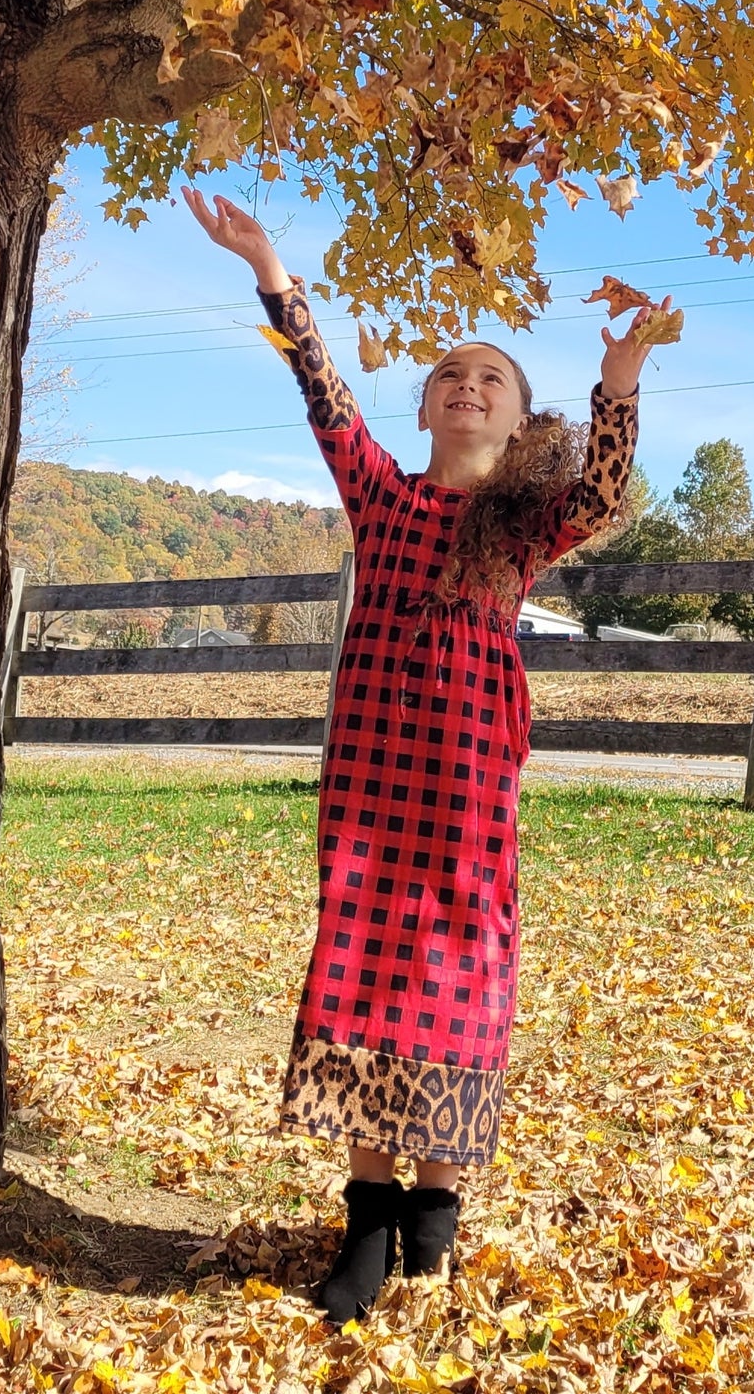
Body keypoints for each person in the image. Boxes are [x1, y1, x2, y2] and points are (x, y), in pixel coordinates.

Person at [187, 192, 667, 1322]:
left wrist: (620, 381)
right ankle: (365, 1209)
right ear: (424, 404)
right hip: (367, 769)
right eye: (451, 374)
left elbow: (603, 488)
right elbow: (321, 392)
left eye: (490, 377)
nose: (467, 385)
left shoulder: (522, 522)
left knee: (460, 964)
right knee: (361, 952)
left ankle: (434, 1213)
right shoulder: (380, 492)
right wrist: (269, 268)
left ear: (513, 417)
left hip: (466, 776)